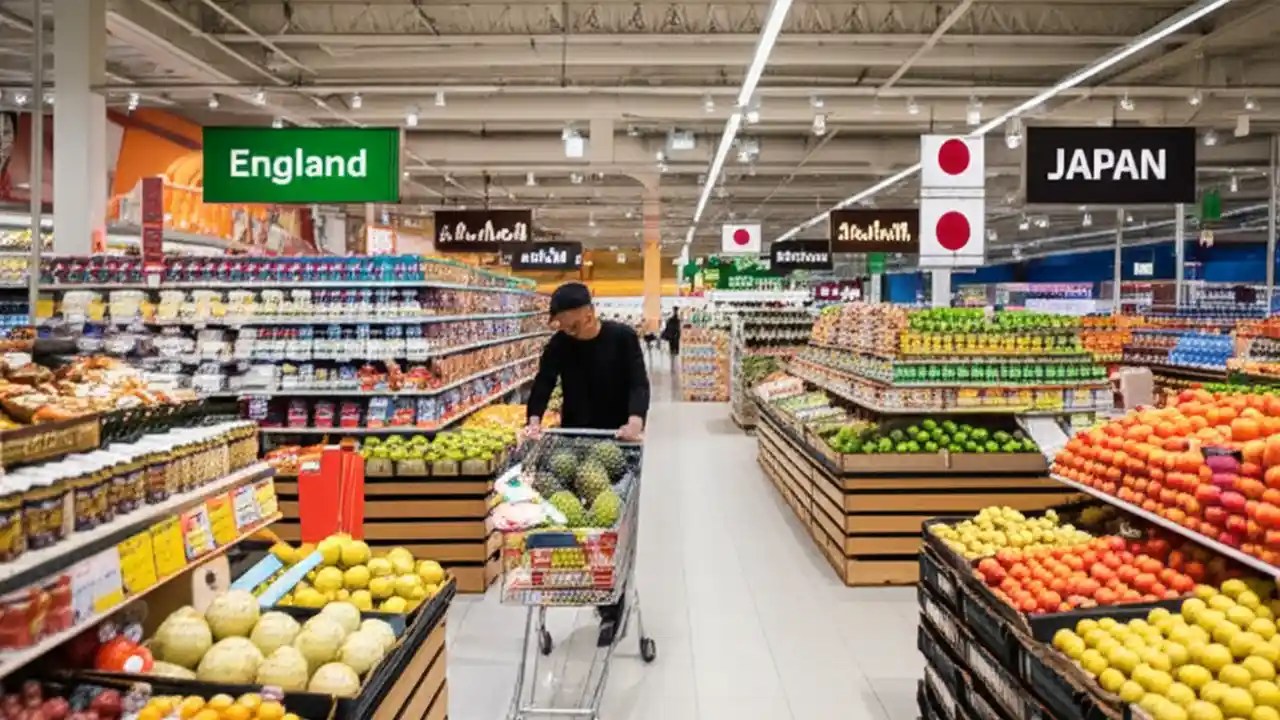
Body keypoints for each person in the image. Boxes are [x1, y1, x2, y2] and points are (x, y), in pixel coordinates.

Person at [524, 282, 651, 646]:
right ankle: (581, 585)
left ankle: (611, 605)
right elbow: (544, 381)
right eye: (560, 324)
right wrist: (534, 418)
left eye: (569, 322)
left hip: (615, 444)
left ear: (587, 312)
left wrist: (636, 421)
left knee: (609, 524)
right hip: (573, 440)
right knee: (577, 521)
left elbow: (638, 384)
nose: (564, 329)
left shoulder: (622, 338)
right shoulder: (560, 345)